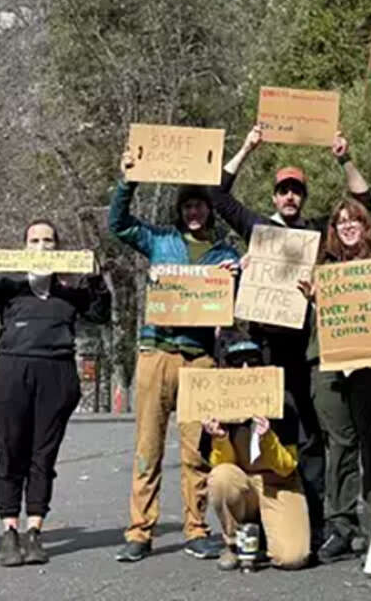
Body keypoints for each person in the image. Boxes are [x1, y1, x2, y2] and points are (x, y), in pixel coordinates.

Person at [216, 126, 371, 558]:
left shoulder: (317, 236)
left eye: (296, 191)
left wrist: (344, 158)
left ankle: (318, 519)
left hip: (304, 350)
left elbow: (361, 204)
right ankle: (259, 523)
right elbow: (219, 194)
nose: (290, 197)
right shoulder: (259, 229)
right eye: (283, 191)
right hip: (265, 348)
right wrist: (248, 147)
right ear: (273, 197)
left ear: (303, 197)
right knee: (266, 430)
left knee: (312, 437)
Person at [109, 151, 241, 563]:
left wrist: (236, 278)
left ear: (208, 209)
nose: (194, 211)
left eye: (199, 204)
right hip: (157, 352)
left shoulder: (224, 254)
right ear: (179, 210)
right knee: (147, 446)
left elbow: (235, 306)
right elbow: (119, 224)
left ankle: (196, 528)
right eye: (187, 205)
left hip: (200, 358)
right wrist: (126, 181)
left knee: (195, 449)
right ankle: (139, 530)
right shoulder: (160, 241)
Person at [0, 218, 113, 568]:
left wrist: (96, 280)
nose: (42, 247)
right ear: (23, 246)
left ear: (58, 249)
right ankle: (9, 530)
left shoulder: (69, 291)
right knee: (11, 450)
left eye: (48, 241)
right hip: (13, 370)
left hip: (57, 374)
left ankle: (35, 531)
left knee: (42, 455)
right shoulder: (6, 286)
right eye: (34, 240)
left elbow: (100, 315)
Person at [304, 197, 371, 562]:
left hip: (370, 363)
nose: (347, 226)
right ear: (333, 230)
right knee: (339, 442)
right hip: (326, 360)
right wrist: (311, 299)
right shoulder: (322, 267)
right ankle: (341, 524)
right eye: (340, 222)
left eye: (353, 220)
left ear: (365, 225)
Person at [200, 330, 313, 571]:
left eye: (252, 362)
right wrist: (220, 438)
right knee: (221, 478)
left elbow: (287, 466)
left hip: (278, 483)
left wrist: (267, 438)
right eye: (235, 363)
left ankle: (267, 534)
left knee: (293, 557)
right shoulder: (218, 405)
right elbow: (220, 465)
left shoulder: (282, 402)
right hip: (242, 482)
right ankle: (233, 543)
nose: (244, 370)